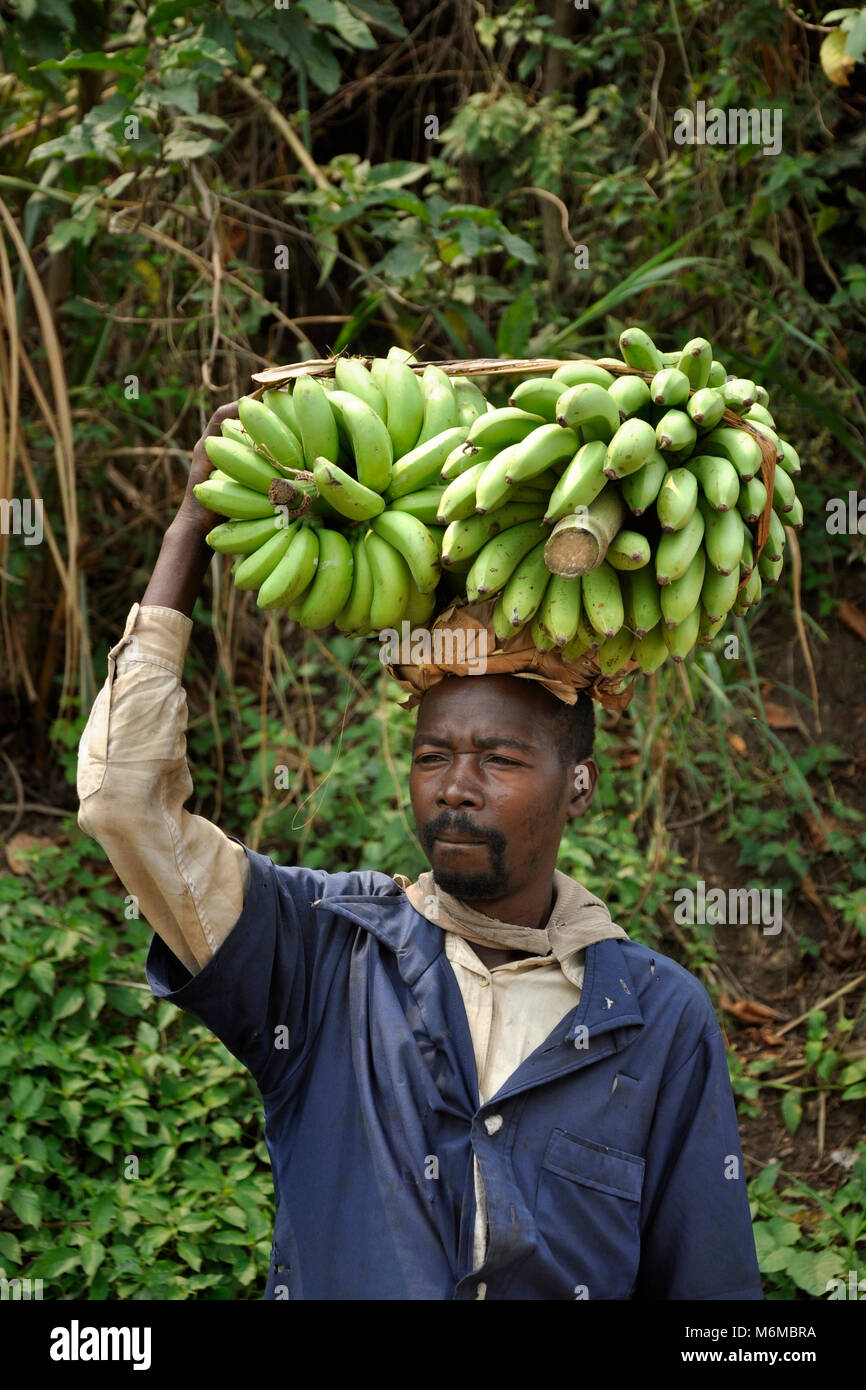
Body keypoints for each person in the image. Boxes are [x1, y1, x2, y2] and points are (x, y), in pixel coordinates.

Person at [76, 402, 763, 1301]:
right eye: (433, 754)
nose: (455, 785)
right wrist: (190, 531)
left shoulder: (658, 1020)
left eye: (500, 759)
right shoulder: (321, 955)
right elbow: (127, 801)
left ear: (579, 786)